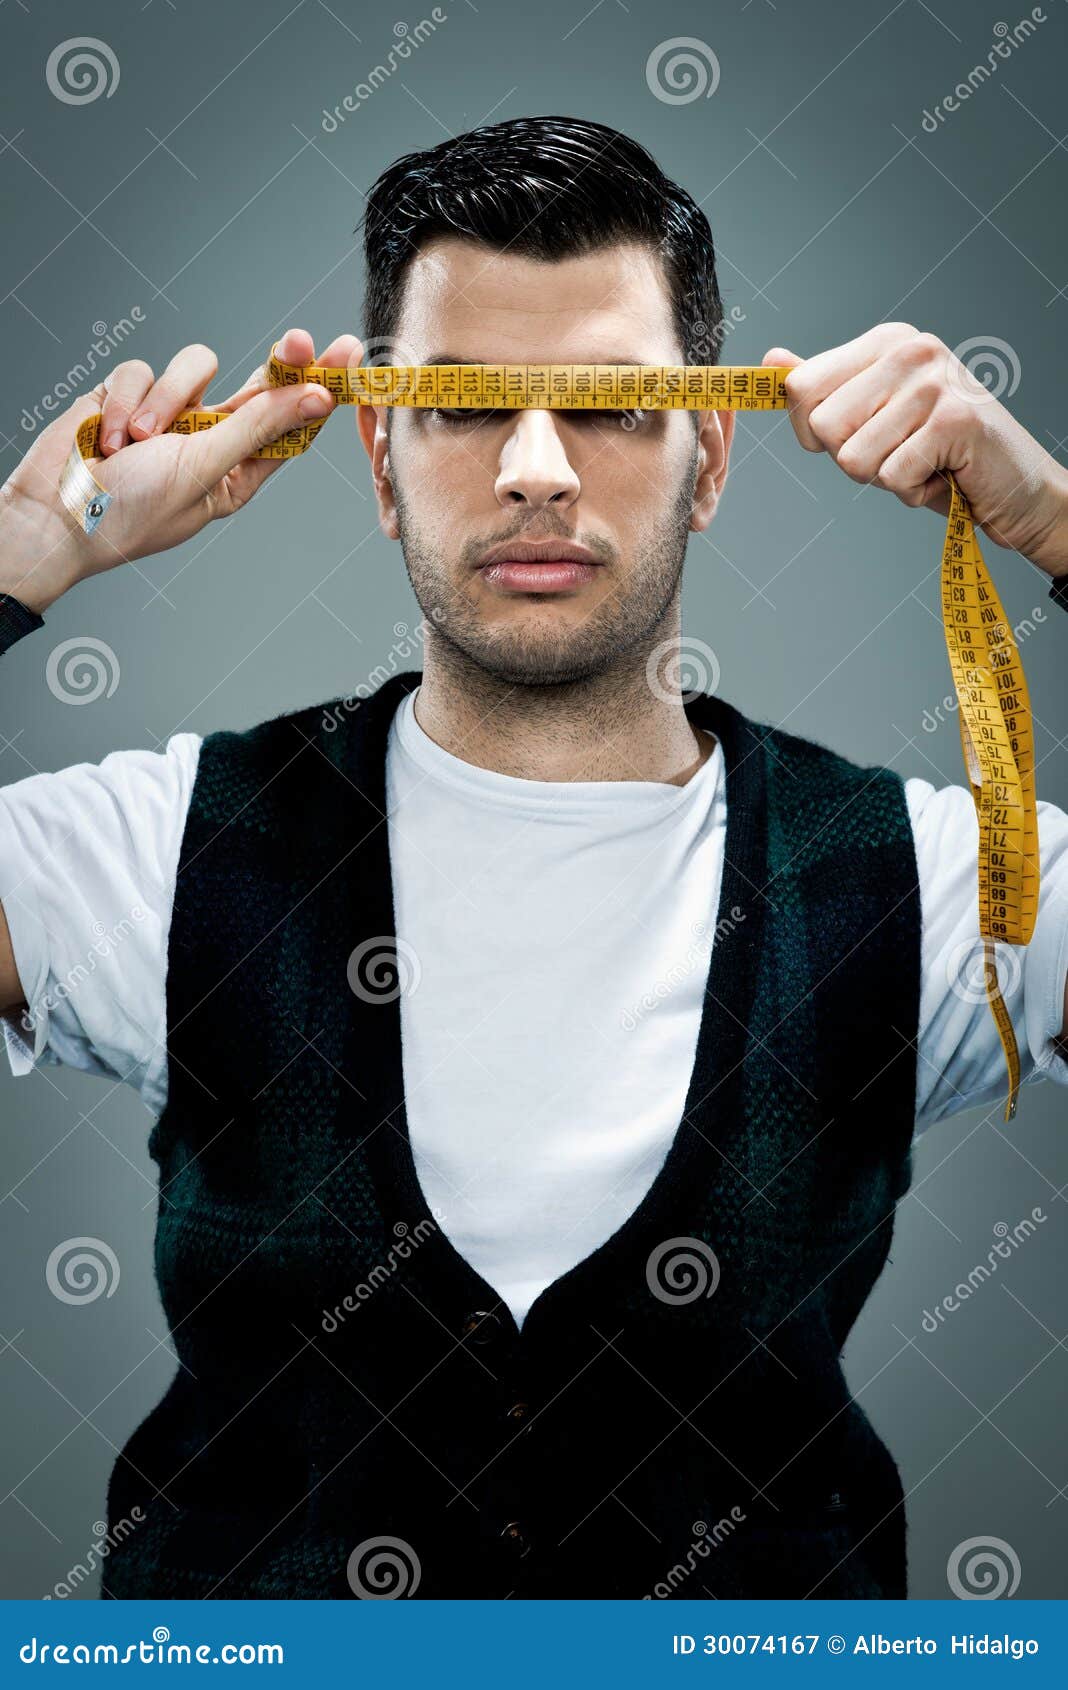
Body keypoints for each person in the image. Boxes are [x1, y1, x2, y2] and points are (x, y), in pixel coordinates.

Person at [1, 116, 1066, 1602]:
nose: (540, 470)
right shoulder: (168, 850)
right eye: (466, 407)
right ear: (378, 455)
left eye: (620, 408)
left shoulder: (936, 875)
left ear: (711, 457)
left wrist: (1060, 524)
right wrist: (26, 550)